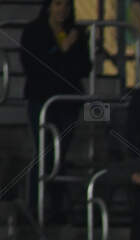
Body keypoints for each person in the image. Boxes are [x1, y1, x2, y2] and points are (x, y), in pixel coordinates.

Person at [20, 0, 90, 221]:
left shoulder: (76, 32)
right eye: (58, 4)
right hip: (42, 99)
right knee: (44, 152)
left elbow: (84, 67)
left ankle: (58, 206)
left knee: (61, 154)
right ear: (49, 6)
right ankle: (34, 205)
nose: (62, 10)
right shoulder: (34, 31)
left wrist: (72, 48)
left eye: (67, 6)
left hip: (68, 101)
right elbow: (34, 65)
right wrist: (62, 49)